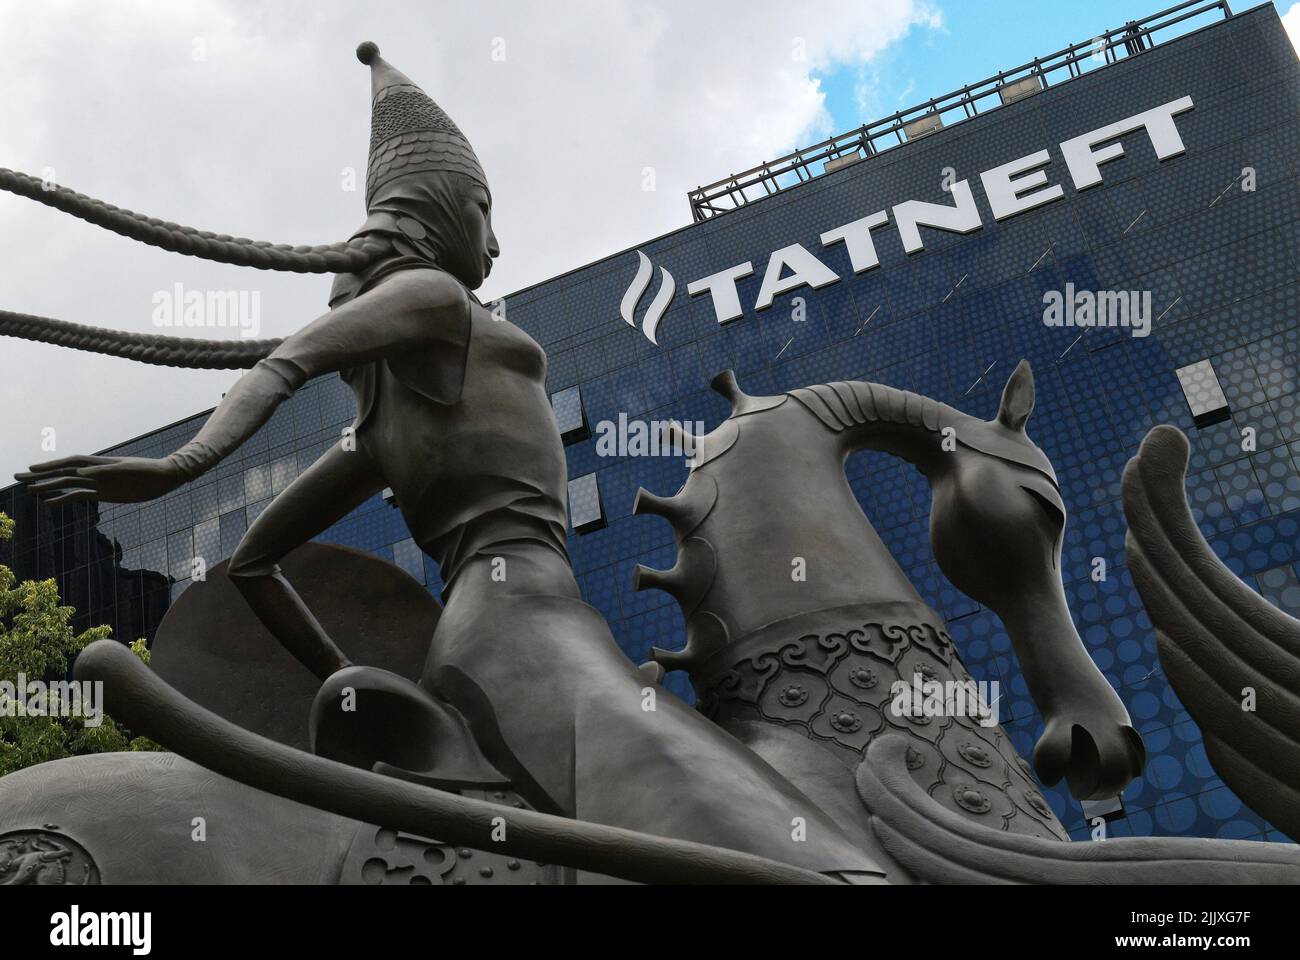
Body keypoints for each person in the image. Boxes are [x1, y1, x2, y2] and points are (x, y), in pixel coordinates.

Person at [17, 44, 881, 879]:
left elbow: (251, 564)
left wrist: (351, 684)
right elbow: (290, 362)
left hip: (488, 641)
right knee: (774, 845)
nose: (496, 243)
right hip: (529, 639)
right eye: (482, 209)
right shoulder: (436, 300)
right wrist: (179, 466)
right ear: (439, 208)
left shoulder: (375, 434)